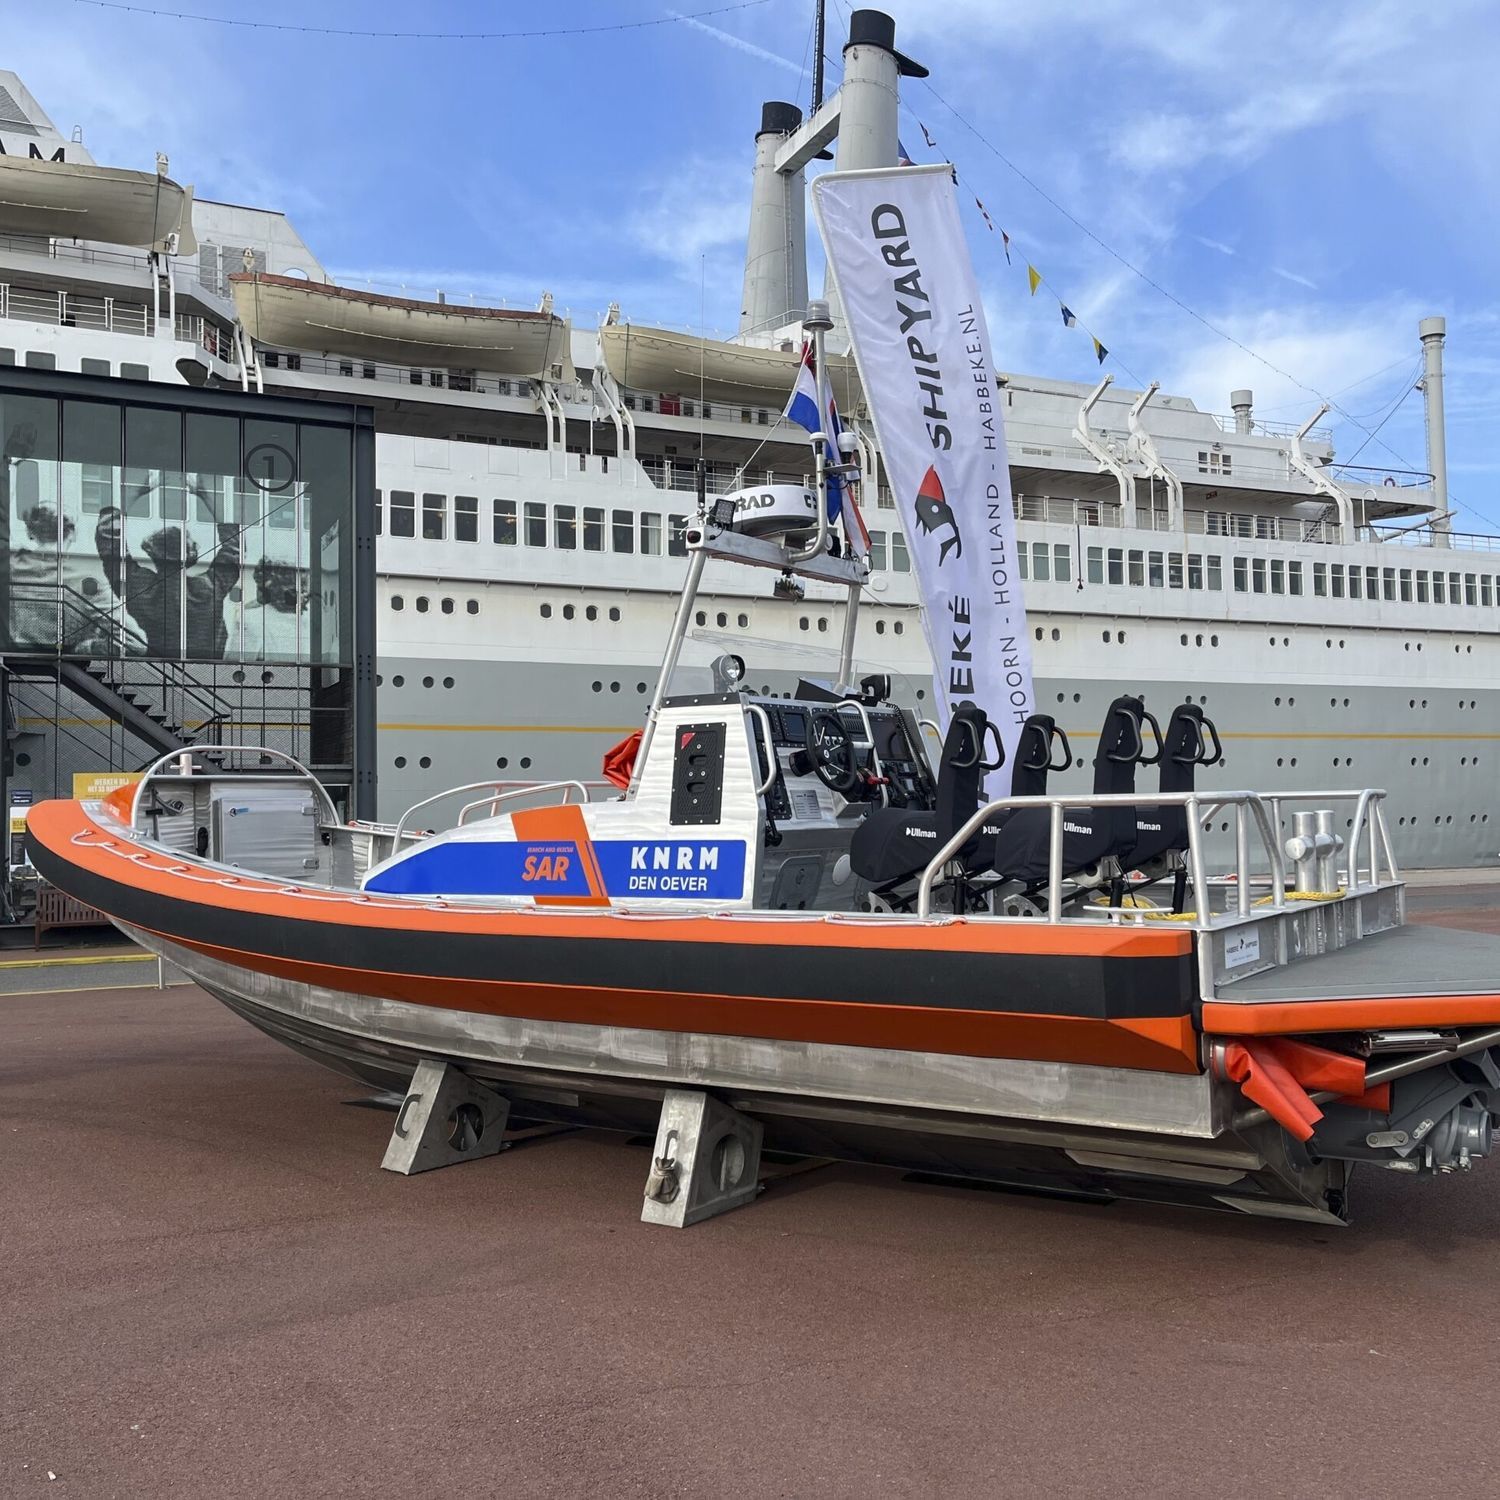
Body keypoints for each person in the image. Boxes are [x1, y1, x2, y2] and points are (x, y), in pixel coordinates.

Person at [94, 506, 241, 659]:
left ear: (153, 552)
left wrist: (122, 504)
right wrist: (208, 498)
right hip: (204, 671)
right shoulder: (209, 587)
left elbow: (112, 551)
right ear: (190, 553)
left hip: (149, 668)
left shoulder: (138, 585)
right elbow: (233, 550)